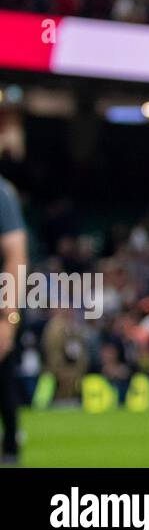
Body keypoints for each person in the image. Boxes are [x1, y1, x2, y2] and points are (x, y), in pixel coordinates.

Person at [0, 174, 27, 464]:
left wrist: (8, 318)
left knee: (4, 380)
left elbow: (15, 255)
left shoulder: (2, 192)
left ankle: (10, 445)